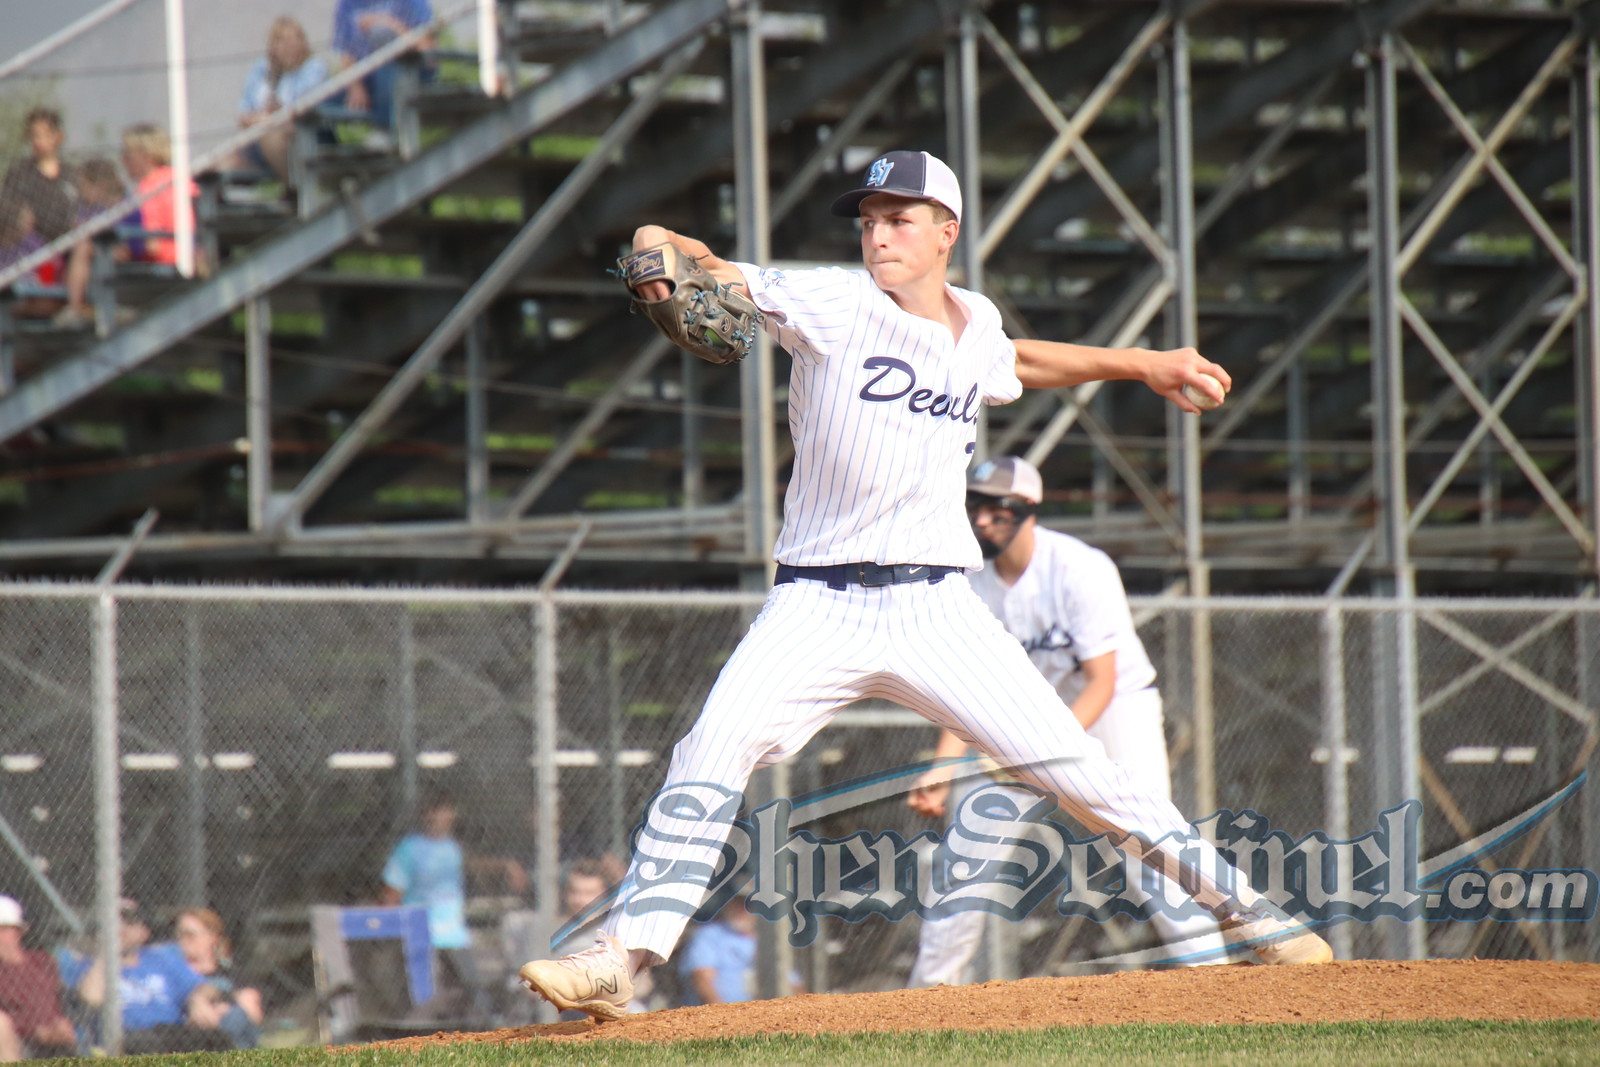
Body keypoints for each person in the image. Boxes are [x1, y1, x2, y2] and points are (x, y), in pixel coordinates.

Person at [518, 148, 1331, 1023]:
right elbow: (704, 262)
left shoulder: (976, 324)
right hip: (816, 605)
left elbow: (1017, 360)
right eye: (869, 220)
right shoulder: (832, 300)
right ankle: (621, 956)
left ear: (947, 232)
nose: (879, 235)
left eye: (900, 219)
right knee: (711, 746)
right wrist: (654, 248)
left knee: (1084, 775)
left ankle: (1255, 914)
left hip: (939, 608)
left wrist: (1142, 364)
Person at [905, 455, 1228, 984]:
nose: (982, 519)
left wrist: (1040, 755)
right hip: (1022, 716)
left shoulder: (1080, 568)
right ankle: (929, 994)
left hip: (1113, 711)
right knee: (968, 851)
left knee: (1147, 845)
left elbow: (1101, 680)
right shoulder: (967, 579)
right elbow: (968, 684)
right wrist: (943, 766)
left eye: (996, 508)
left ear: (1028, 508)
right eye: (974, 506)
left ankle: (1211, 976)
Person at [380, 789, 522, 1024]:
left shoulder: (452, 847)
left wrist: (506, 865)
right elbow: (391, 895)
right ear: (426, 815)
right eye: (439, 812)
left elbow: (473, 864)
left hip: (455, 936)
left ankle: (486, 1029)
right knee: (428, 1000)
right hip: (422, 936)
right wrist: (393, 933)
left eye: (449, 811)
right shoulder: (409, 849)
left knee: (474, 992)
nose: (446, 817)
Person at [67, 899, 232, 1054]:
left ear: (143, 932)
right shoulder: (90, 966)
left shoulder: (161, 958)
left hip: (172, 1034)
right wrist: (107, 950)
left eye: (129, 920)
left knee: (219, 1039)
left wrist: (198, 999)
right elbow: (91, 999)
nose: (120, 926)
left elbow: (205, 986)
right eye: (112, 920)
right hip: (127, 1039)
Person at [0, 109, 93, 327]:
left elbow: (83, 207)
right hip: (33, 246)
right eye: (34, 135)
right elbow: (11, 211)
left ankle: (76, 308)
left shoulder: (71, 174)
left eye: (45, 135)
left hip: (67, 244)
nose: (39, 141)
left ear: (58, 136)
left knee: (86, 246)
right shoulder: (20, 173)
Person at [230, 17, 328, 180]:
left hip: (300, 135)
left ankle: (294, 189)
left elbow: (301, 106)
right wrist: (258, 119)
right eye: (281, 41)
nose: (288, 47)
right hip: (257, 138)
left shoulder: (314, 67)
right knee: (221, 163)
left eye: (293, 40)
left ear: (303, 43)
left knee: (271, 138)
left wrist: (268, 118)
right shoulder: (261, 69)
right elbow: (243, 112)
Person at [332, 0, 434, 131]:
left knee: (382, 37)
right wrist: (356, 87)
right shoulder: (347, 4)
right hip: (365, 78)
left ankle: (384, 130)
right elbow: (346, 51)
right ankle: (324, 143)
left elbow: (427, 49)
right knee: (317, 107)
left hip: (409, 72)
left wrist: (389, 24)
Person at [0, 895, 77, 1061]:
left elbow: (62, 998)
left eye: (3, 929)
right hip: (22, 1040)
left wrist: (60, 1025)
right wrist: (37, 1031)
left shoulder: (42, 960)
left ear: (18, 932)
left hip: (59, 1031)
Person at [173, 909, 262, 1049]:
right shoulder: (173, 973)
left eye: (190, 934)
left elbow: (253, 1014)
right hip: (191, 1034)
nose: (183, 940)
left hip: (231, 1027)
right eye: (179, 935)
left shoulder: (232, 973)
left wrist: (222, 1009)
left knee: (237, 1016)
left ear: (212, 937)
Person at [119, 124, 198, 269]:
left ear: (146, 155)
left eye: (127, 154)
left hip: (165, 262)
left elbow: (153, 246)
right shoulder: (178, 177)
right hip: (191, 256)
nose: (122, 159)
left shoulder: (150, 187)